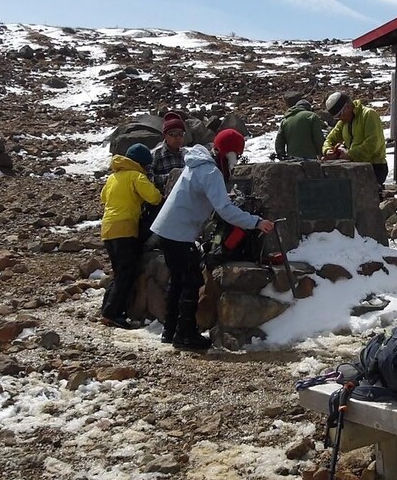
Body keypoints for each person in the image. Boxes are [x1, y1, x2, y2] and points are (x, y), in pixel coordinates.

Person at [150, 128, 274, 351]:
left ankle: (171, 330)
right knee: (191, 280)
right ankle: (185, 335)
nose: (235, 162)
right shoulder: (211, 172)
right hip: (179, 233)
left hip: (168, 229)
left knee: (178, 281)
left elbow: (207, 196)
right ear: (228, 153)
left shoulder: (198, 164)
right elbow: (225, 210)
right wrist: (256, 222)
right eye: (235, 155)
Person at [98, 143, 162, 329]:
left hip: (108, 228)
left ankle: (107, 309)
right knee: (126, 273)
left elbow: (104, 198)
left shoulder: (112, 178)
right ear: (141, 163)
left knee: (119, 272)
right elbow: (154, 197)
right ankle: (112, 313)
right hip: (125, 228)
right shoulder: (136, 176)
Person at [321, 91, 387, 188]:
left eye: (340, 115)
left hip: (375, 167)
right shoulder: (343, 122)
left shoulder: (368, 115)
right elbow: (330, 139)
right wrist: (327, 150)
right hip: (356, 166)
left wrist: (349, 154)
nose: (339, 119)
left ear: (348, 107)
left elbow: (372, 144)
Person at [150, 112, 188, 195]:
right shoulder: (155, 154)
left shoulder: (187, 154)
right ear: (165, 135)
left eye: (181, 134)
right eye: (173, 134)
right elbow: (148, 178)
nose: (178, 138)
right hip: (162, 200)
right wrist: (172, 177)